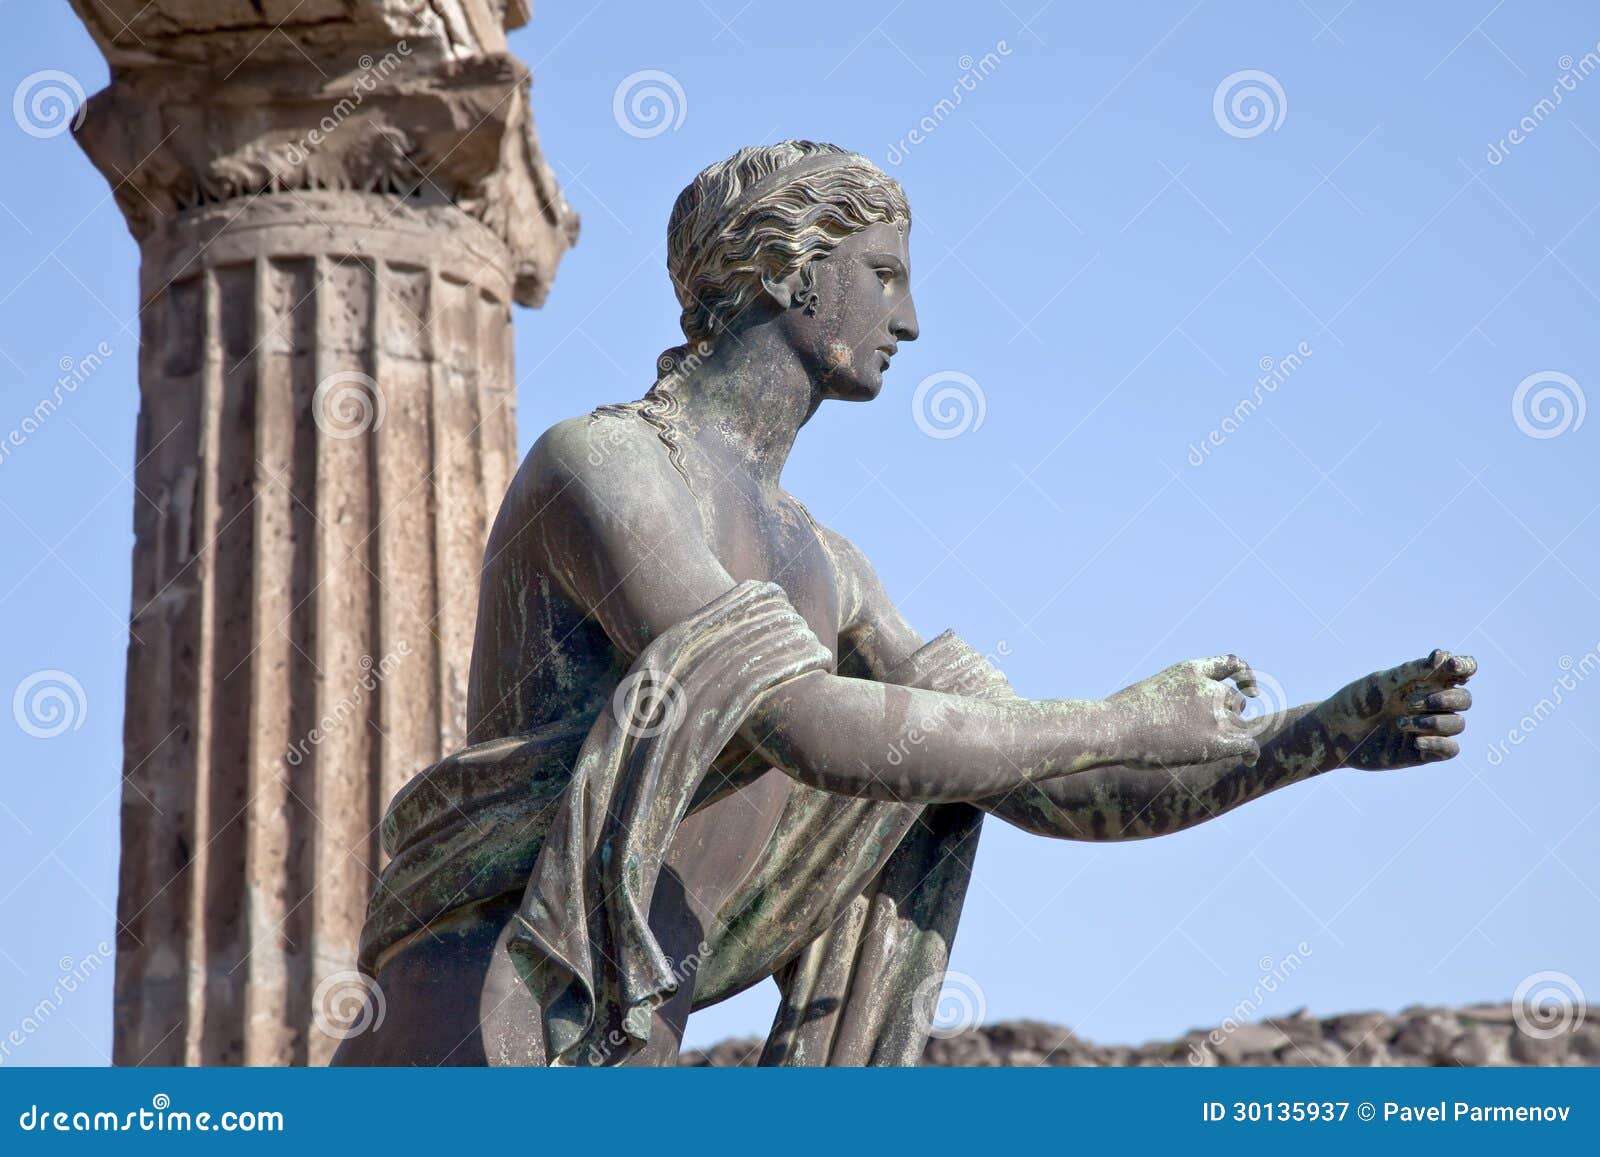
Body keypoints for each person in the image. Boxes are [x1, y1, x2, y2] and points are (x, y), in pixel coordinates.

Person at [333, 141, 1474, 1067]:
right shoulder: (607, 466)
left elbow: (1035, 780)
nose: (912, 318)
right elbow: (803, 722)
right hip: (472, 1037)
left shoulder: (829, 566)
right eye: (884, 274)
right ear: (786, 268)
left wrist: (1307, 738)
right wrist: (1123, 716)